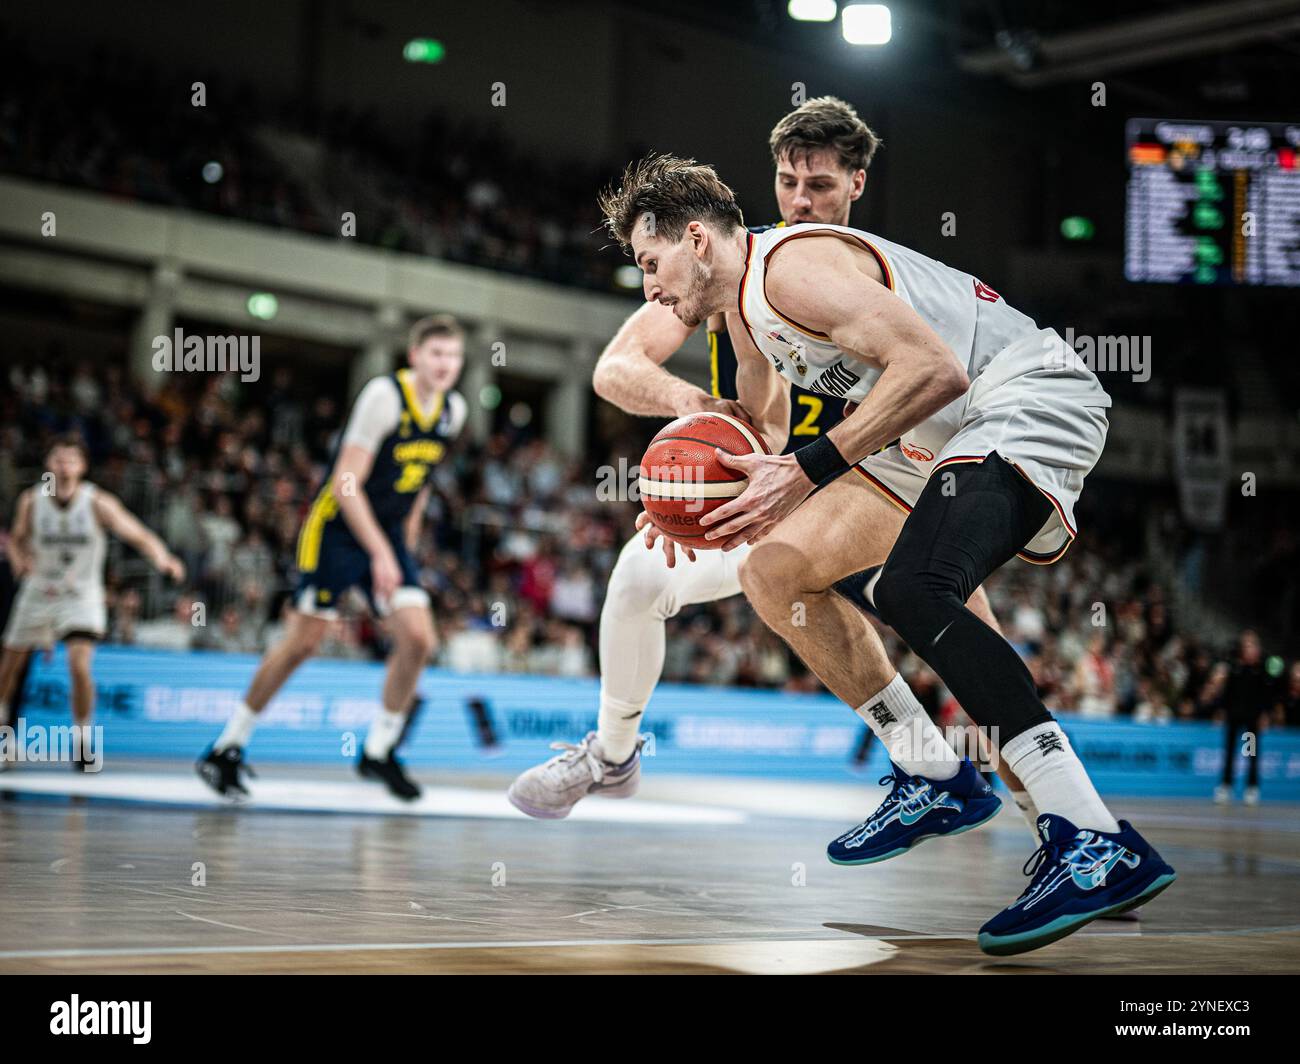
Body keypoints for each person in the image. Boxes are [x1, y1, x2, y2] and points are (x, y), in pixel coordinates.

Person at [600, 153, 1176, 955]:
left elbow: (931, 367)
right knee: (776, 570)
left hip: (1017, 394)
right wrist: (693, 508)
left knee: (915, 588)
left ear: (696, 239)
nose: (650, 289)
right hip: (928, 440)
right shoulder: (746, 315)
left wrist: (806, 468)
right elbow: (753, 442)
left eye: (649, 263)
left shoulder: (790, 269)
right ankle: (931, 772)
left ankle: (1089, 839)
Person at [508, 97, 1035, 829]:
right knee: (636, 573)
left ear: (857, 184)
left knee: (982, 666)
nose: (799, 199)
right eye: (788, 181)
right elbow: (615, 367)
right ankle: (614, 755)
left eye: (819, 185)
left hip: (879, 493)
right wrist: (699, 408)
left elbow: (937, 375)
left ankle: (1069, 831)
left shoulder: (875, 276)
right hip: (772, 495)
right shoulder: (726, 268)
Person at [196, 315, 467, 801]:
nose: (446, 364)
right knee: (303, 643)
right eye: (436, 354)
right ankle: (226, 747)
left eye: (453, 356)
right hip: (337, 529)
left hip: (386, 533)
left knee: (419, 639)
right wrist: (382, 553)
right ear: (415, 357)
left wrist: (405, 539)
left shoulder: (454, 411)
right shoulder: (384, 397)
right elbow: (346, 484)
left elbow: (421, 478)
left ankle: (378, 751)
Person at [0, 434, 185, 770]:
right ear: (48, 464)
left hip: (81, 593)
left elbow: (137, 533)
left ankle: (83, 741)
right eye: (58, 458)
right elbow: (16, 539)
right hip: (39, 589)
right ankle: (3, 740)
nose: (64, 465)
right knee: (8, 668)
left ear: (83, 466)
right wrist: (18, 561)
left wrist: (163, 558)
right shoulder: (31, 500)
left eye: (71, 459)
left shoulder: (98, 502)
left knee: (79, 664)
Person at [1213, 629, 1273, 805]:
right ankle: (1226, 786)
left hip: (1252, 719)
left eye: (1252, 645)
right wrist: (1221, 710)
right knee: (1229, 753)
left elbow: (1266, 695)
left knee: (1251, 753)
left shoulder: (1261, 670)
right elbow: (1227, 692)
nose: (1249, 649)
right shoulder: (1235, 667)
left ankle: (1251, 788)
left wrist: (1264, 714)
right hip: (1234, 716)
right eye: (1246, 645)